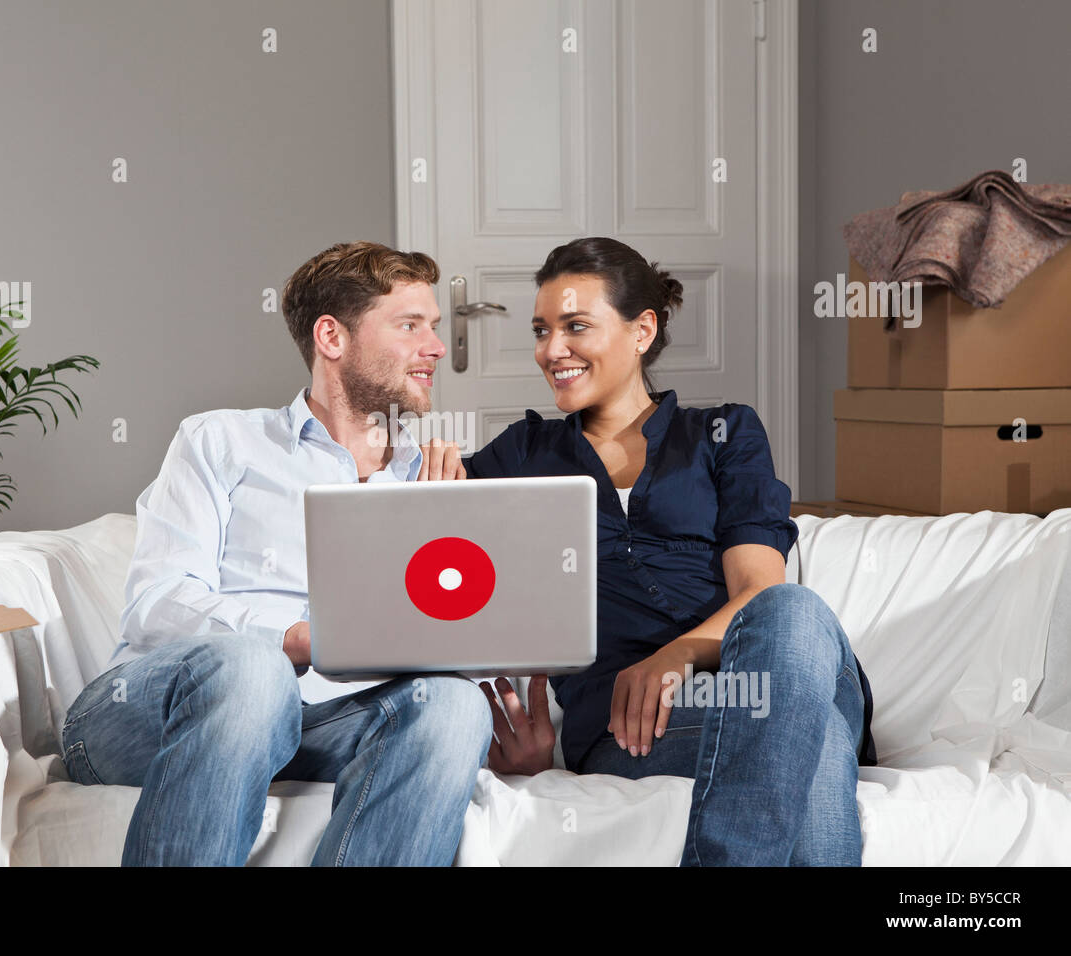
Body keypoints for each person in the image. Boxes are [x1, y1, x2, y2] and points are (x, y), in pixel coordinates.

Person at [59, 240, 490, 866]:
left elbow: (453, 649)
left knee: (451, 705)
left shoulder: (432, 481)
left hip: (324, 721)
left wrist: (438, 537)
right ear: (332, 337)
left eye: (436, 328)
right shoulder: (221, 441)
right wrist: (293, 639)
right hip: (158, 715)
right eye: (410, 326)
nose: (437, 348)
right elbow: (156, 605)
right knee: (252, 670)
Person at [463, 236, 877, 866]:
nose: (552, 351)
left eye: (577, 326)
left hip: (765, 674)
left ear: (642, 330)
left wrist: (676, 654)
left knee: (793, 610)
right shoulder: (524, 453)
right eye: (542, 330)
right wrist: (421, 465)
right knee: (812, 744)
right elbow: (409, 525)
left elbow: (759, 592)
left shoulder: (723, 433)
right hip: (631, 722)